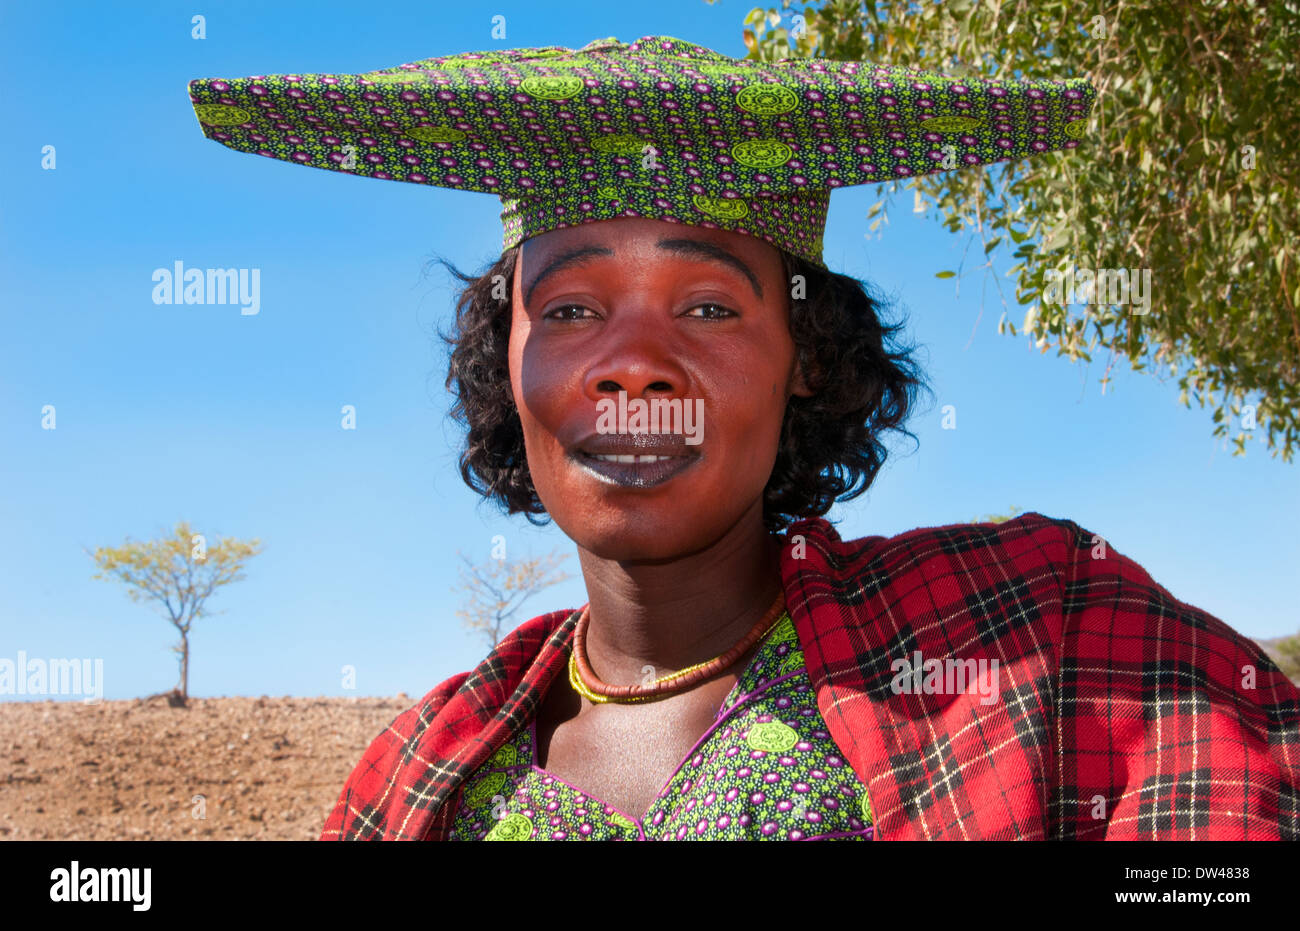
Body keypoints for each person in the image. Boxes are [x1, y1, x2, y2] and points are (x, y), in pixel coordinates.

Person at [188, 35, 1300, 840]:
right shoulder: (415, 779)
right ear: (507, 361)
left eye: (709, 307)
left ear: (805, 355)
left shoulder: (1039, 632)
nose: (631, 361)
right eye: (571, 309)